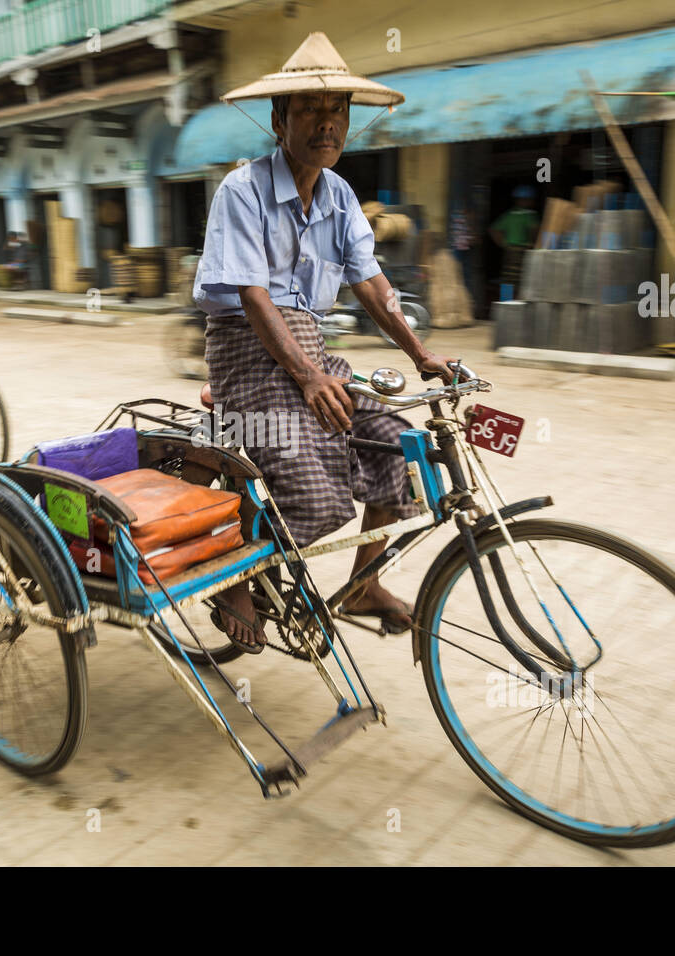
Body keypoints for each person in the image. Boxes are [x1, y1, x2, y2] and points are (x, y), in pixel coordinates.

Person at [194, 32, 461, 653]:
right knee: (314, 501)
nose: (328, 124)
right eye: (311, 111)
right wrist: (309, 378)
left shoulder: (340, 196)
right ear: (278, 119)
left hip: (310, 349)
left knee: (398, 444)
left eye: (338, 110)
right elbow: (255, 297)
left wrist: (419, 354)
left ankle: (364, 583)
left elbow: (370, 283)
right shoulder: (243, 190)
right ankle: (230, 572)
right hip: (246, 356)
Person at [489, 184, 540, 290]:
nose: (532, 202)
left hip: (509, 251)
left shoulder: (509, 214)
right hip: (522, 251)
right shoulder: (530, 215)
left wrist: (504, 244)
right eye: (530, 200)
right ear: (526, 200)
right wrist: (532, 244)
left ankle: (505, 301)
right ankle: (518, 304)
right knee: (522, 280)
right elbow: (534, 230)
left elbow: (493, 230)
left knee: (508, 279)